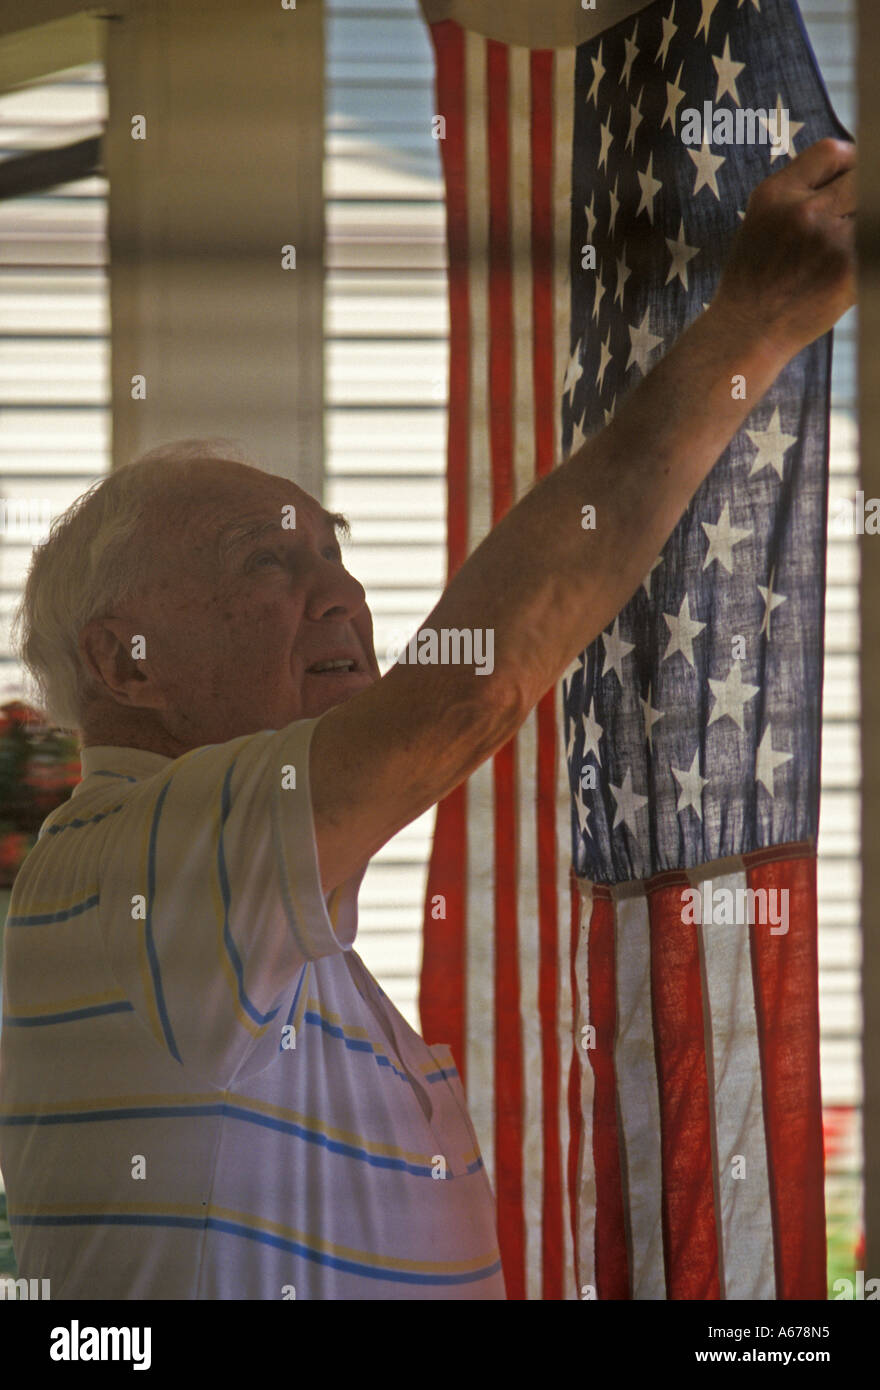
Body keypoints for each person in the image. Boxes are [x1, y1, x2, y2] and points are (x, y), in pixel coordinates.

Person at [0, 138, 857, 1300]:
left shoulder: (238, 926)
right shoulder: (133, 863)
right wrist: (750, 327)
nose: (343, 594)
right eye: (266, 561)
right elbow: (466, 694)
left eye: (334, 552)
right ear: (124, 660)